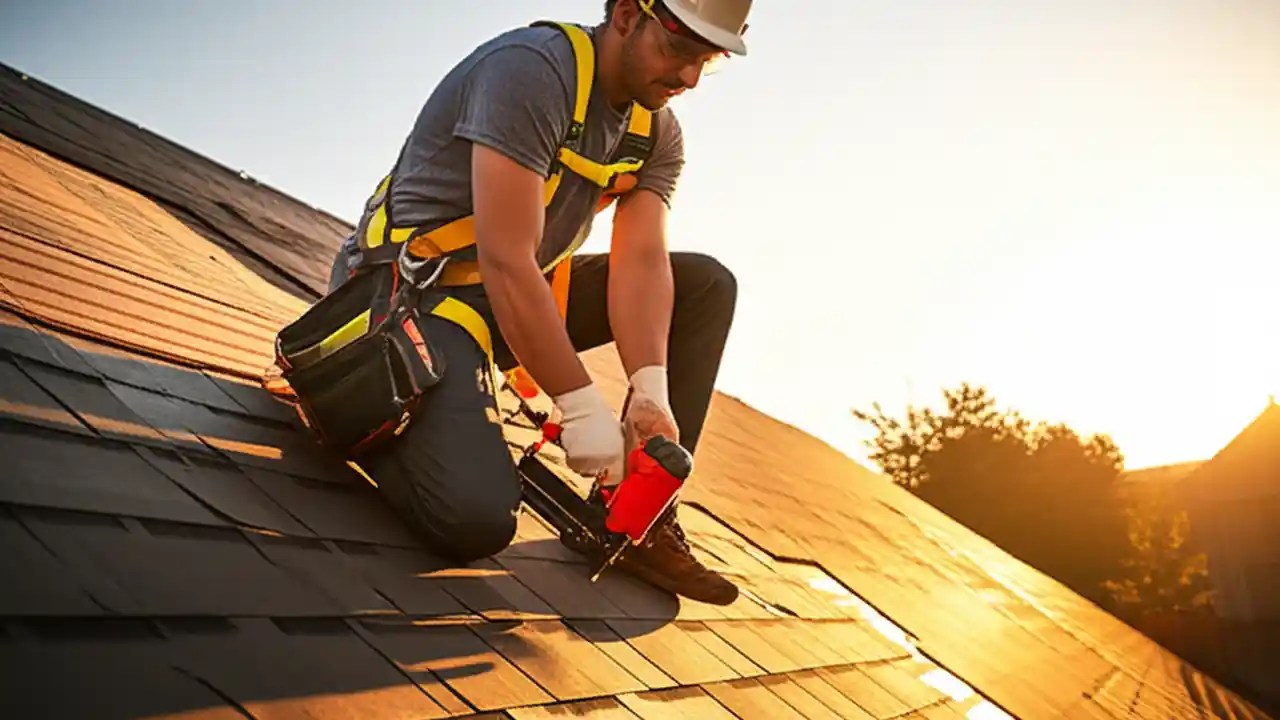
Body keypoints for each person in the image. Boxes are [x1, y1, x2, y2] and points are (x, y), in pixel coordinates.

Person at [326, 0, 752, 605]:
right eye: (681, 50)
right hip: (411, 298)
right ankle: (356, 397)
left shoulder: (656, 130)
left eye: (706, 62)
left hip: (511, 301)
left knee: (705, 286)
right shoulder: (531, 70)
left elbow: (641, 263)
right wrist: (580, 406)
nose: (688, 78)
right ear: (629, 14)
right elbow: (505, 257)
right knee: (473, 518)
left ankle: (638, 519)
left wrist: (650, 395)